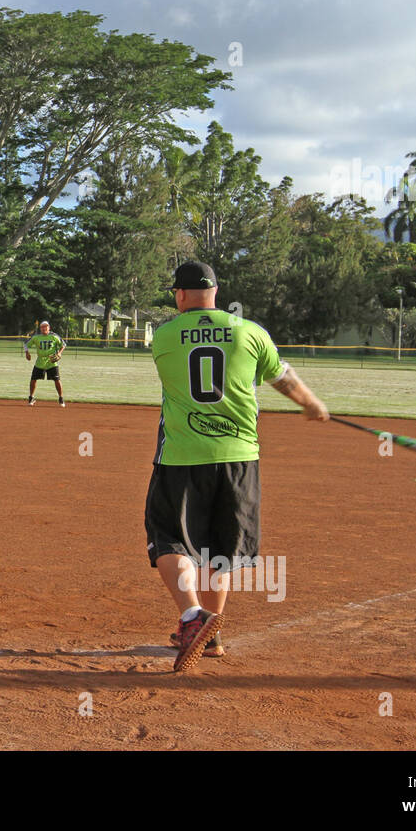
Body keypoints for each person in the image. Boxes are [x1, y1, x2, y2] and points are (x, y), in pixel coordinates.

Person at [146, 261, 328, 672]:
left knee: (168, 537)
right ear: (217, 291)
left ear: (180, 295)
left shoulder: (164, 337)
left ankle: (193, 617)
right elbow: (281, 378)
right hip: (240, 457)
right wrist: (312, 404)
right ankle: (213, 638)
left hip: (182, 456)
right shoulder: (250, 331)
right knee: (221, 548)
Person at [23, 321, 66, 407]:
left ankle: (61, 398)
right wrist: (27, 353)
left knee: (57, 380)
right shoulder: (36, 337)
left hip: (52, 362)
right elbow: (26, 344)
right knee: (33, 379)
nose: (44, 328)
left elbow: (63, 344)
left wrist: (60, 353)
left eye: (46, 327)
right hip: (40, 361)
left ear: (49, 328)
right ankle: (31, 398)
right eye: (42, 327)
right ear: (40, 329)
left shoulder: (54, 336)